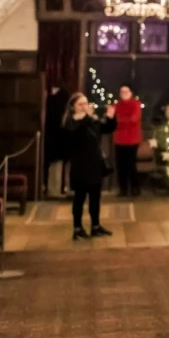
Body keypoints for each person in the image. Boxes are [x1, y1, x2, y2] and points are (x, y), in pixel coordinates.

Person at [63, 93, 116, 240]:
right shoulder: (71, 122)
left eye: (86, 103)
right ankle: (77, 228)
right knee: (79, 198)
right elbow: (77, 135)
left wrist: (111, 117)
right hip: (80, 165)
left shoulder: (90, 120)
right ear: (73, 107)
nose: (84, 106)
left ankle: (96, 226)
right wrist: (87, 117)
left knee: (95, 197)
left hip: (94, 163)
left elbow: (106, 129)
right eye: (80, 104)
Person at [113, 85, 143, 196]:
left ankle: (135, 187)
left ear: (131, 92)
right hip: (119, 139)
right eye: (122, 91)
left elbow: (134, 120)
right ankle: (123, 188)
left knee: (130, 164)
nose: (124, 93)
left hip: (132, 139)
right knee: (120, 165)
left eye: (126, 91)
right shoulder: (117, 105)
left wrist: (119, 120)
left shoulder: (136, 104)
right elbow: (112, 119)